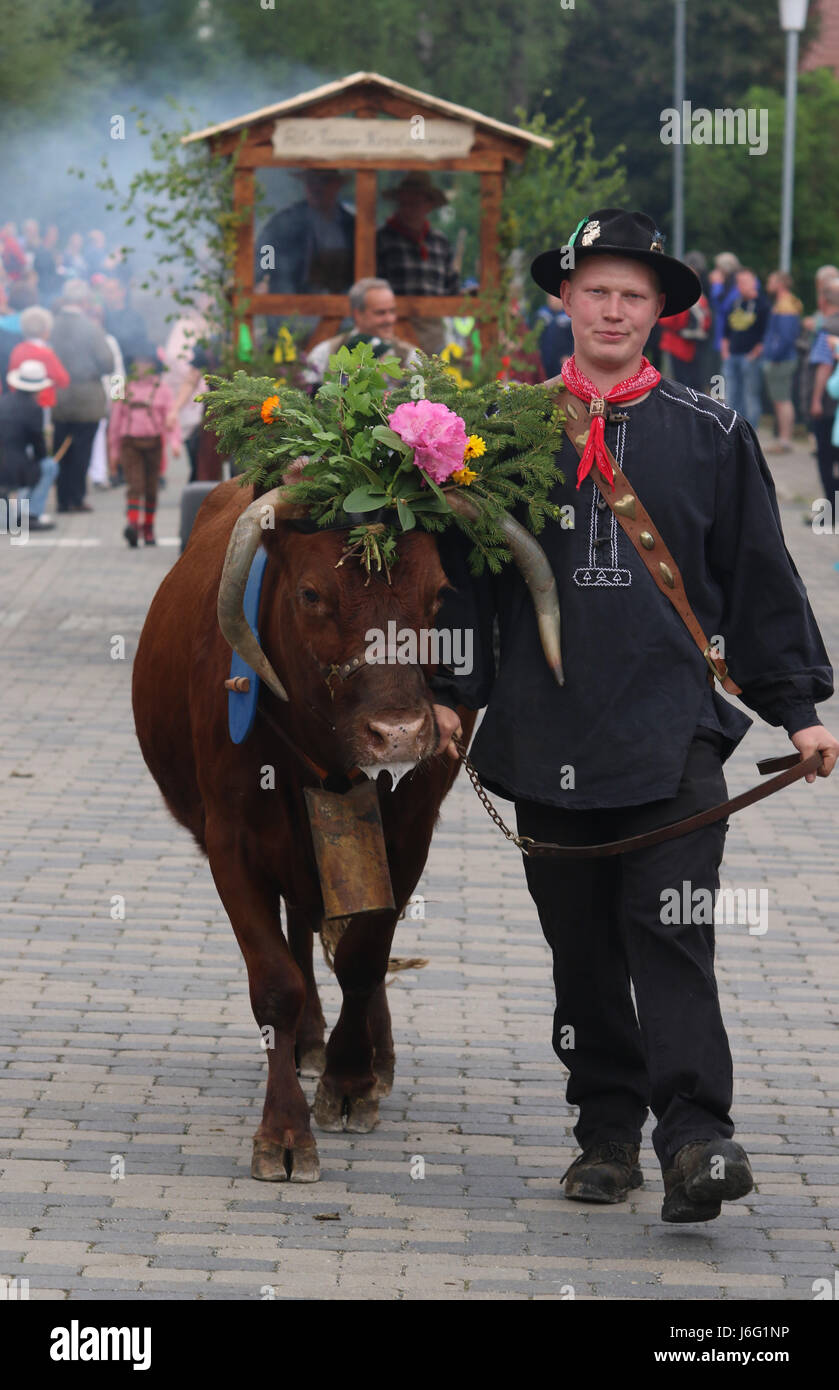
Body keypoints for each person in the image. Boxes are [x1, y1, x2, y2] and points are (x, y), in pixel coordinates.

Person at [428, 207, 837, 1224]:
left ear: (658, 313)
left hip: (671, 737)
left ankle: (695, 1136)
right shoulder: (503, 432)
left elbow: (756, 577)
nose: (611, 309)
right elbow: (467, 584)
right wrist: (449, 690)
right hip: (542, 732)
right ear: (562, 300)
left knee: (671, 934)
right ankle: (603, 1132)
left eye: (632, 294)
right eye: (594, 290)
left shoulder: (711, 434)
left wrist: (799, 711)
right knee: (580, 954)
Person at [376, 171, 459, 355]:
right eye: (404, 203)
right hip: (393, 328)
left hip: (433, 332)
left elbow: (451, 288)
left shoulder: (440, 242)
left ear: (429, 205)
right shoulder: (383, 239)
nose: (409, 208)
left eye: (416, 202)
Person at [50, 279, 114, 512]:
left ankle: (62, 499)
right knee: (81, 451)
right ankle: (76, 498)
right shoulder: (92, 328)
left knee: (61, 449)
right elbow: (108, 363)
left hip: (59, 397)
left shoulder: (53, 326)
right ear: (84, 301)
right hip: (87, 400)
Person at [108, 344, 179, 547]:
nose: (142, 367)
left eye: (146, 363)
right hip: (130, 444)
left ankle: (148, 528)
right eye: (138, 363)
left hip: (154, 443)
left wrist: (174, 442)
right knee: (135, 485)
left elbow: (171, 418)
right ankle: (132, 525)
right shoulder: (120, 387)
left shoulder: (162, 388)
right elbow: (114, 422)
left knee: (151, 487)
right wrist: (113, 452)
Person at [304, 277, 421, 388]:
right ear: (358, 315)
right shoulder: (326, 351)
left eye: (392, 311)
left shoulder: (409, 355)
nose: (390, 319)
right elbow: (307, 394)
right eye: (380, 313)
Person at [255, 169, 355, 297]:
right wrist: (262, 274)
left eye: (325, 181)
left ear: (337, 185)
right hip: (293, 304)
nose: (317, 187)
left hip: (341, 307)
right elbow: (266, 248)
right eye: (311, 182)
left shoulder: (351, 226)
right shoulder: (285, 221)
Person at [0, 358, 57, 530]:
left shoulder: (3, 402)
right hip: (13, 466)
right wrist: (41, 456)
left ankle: (10, 517)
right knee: (49, 465)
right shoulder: (33, 408)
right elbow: (39, 446)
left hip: (5, 461)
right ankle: (30, 515)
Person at [806, 277, 839, 529]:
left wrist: (815, 399)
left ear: (822, 300)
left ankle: (830, 513)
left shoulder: (827, 328)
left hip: (828, 405)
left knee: (826, 461)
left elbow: (824, 367)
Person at [721, 268, 769, 428]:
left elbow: (765, 334)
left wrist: (753, 355)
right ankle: (732, 429)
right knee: (731, 394)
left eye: (744, 282)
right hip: (732, 355)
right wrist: (725, 352)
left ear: (754, 283)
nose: (741, 286)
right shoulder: (735, 303)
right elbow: (726, 331)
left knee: (750, 396)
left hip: (750, 357)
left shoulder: (763, 305)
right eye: (739, 283)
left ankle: (750, 430)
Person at [761, 270, 803, 454]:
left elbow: (785, 337)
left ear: (780, 284)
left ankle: (785, 440)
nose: (768, 283)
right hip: (783, 359)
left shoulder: (786, 305)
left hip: (781, 361)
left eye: (771, 280)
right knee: (781, 399)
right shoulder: (785, 303)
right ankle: (783, 439)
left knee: (782, 400)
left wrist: (774, 357)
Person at [7, 306, 70, 409]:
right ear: (46, 331)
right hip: (42, 404)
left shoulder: (17, 350)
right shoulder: (46, 354)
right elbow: (63, 380)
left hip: (17, 404)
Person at [534, 293, 574, 380]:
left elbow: (574, 340)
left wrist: (570, 355)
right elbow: (534, 336)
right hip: (543, 358)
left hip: (562, 359)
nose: (554, 300)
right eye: (552, 297)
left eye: (557, 298)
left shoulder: (569, 318)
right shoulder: (542, 315)